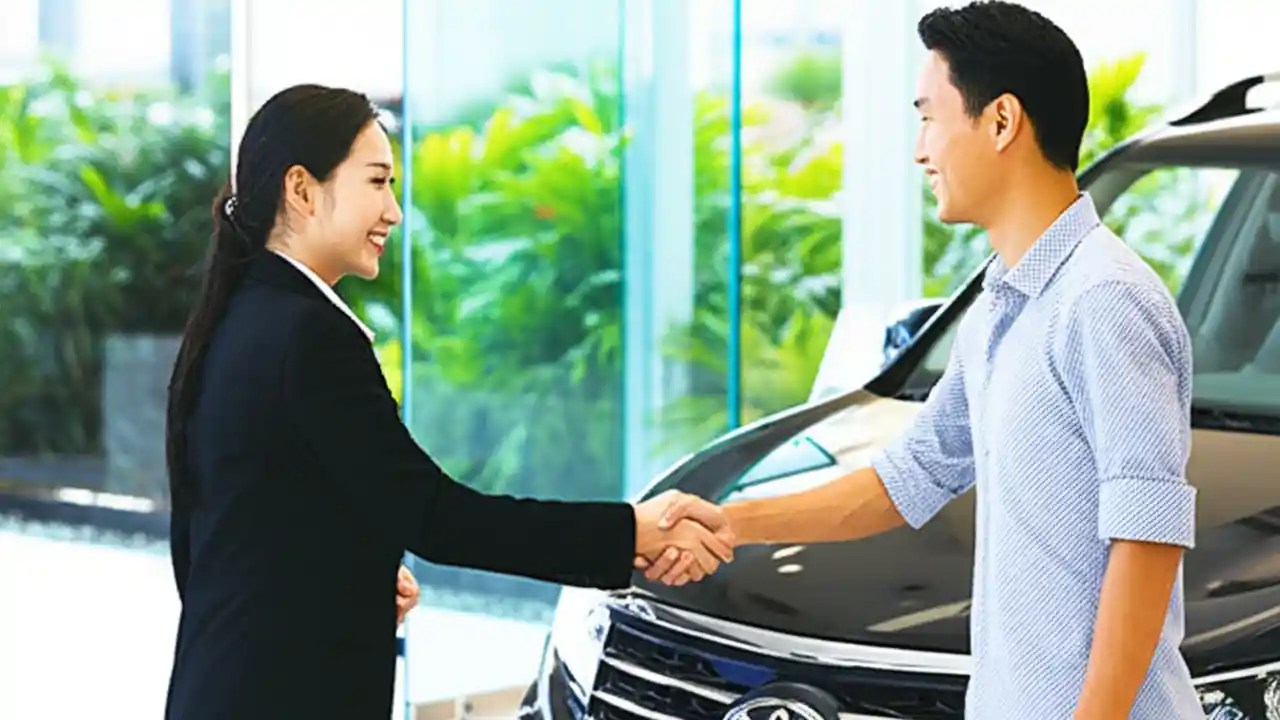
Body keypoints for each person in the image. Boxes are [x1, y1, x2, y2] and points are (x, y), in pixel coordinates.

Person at [647, 2, 1201, 718]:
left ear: (1002, 122)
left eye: (929, 117)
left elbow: (1147, 534)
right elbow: (910, 476)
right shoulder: (1003, 302)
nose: (919, 150)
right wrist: (734, 522)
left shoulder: (1103, 299)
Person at [162, 83, 732, 720]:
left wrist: (351, 575)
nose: (394, 211)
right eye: (377, 182)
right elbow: (433, 515)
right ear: (301, 188)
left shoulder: (238, 316)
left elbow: (226, 531)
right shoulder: (310, 337)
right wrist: (630, 531)